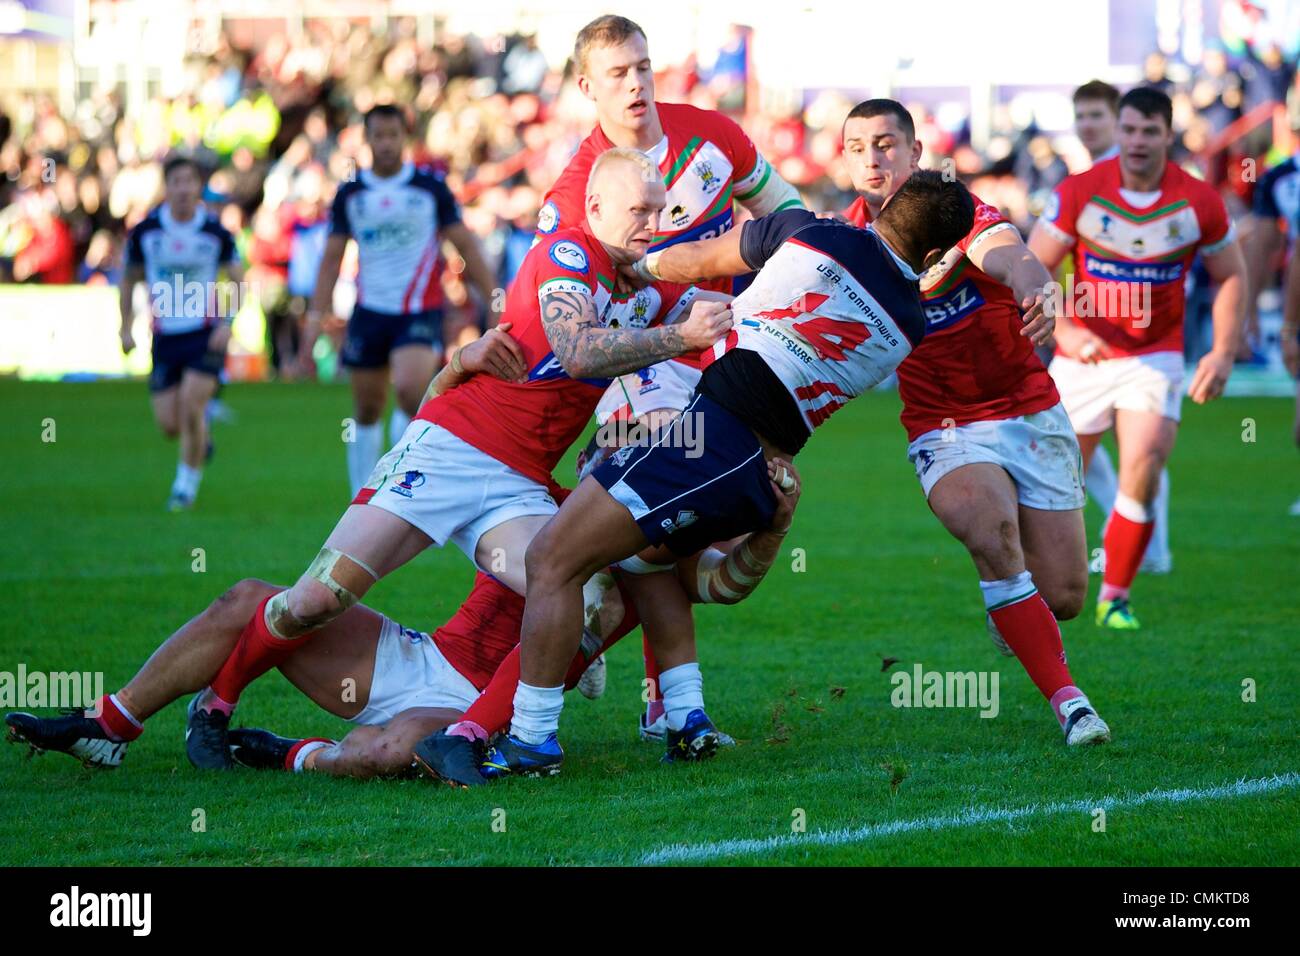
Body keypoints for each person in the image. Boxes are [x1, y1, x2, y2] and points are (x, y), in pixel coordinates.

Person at [176, 148, 731, 769]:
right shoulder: (569, 253)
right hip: (455, 450)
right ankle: (215, 706)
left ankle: (510, 736)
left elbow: (722, 322)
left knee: (572, 585)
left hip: (519, 481)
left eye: (659, 211)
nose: (652, 223)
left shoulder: (655, 286)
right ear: (596, 206)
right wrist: (681, 336)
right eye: (638, 210)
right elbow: (577, 350)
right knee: (316, 599)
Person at [460, 171, 974, 778]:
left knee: (552, 559)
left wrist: (640, 270)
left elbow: (700, 259)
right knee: (653, 572)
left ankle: (531, 741)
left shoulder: (810, 232)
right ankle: (681, 715)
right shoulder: (912, 323)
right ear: (936, 255)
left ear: (885, 204)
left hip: (705, 441)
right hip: (760, 473)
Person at [535, 14, 805, 738]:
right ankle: (640, 694)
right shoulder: (576, 190)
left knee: (679, 537)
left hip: (727, 362)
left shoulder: (713, 135)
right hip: (646, 365)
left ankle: (612, 648)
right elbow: (582, 310)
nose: (637, 84)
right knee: (667, 522)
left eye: (645, 67)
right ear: (587, 86)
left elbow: (788, 215)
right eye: (619, 73)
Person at [839, 100, 1109, 745]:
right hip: (944, 426)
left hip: (1028, 410)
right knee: (992, 536)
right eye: (856, 148)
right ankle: (1072, 706)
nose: (872, 159)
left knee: (1066, 595)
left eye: (885, 144)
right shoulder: (847, 241)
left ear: (915, 153)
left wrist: (1034, 286)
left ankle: (1013, 604)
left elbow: (1009, 254)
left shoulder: (958, 209)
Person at [1028, 87, 1247, 629]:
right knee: (1054, 479)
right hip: (1083, 359)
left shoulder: (1199, 201)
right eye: (1128, 130)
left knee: (1144, 464)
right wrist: (1068, 330)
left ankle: (1116, 597)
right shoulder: (1080, 192)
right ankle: (1029, 596)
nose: (1137, 141)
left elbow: (1233, 275)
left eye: (1149, 131)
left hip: (1156, 355)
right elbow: (1033, 269)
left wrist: (1221, 352)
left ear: (1167, 135)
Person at [297, 104, 500, 497]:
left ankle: (396, 479)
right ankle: (363, 493)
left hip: (419, 312)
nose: (387, 143)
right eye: (379, 135)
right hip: (370, 312)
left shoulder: (429, 189)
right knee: (368, 407)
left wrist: (493, 296)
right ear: (367, 139)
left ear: (404, 138)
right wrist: (314, 319)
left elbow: (467, 246)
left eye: (393, 135)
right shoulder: (351, 194)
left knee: (410, 390)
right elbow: (330, 260)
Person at [1071, 80, 1173, 575]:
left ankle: (1147, 549)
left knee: (1141, 449)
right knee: (1089, 445)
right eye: (1081, 116)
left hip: (1136, 334)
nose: (1087, 125)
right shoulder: (1083, 178)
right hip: (1083, 329)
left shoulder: (1134, 178)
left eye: (1097, 116)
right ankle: (1140, 548)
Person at [119, 155, 243, 512]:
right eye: (177, 182)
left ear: (197, 187)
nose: (184, 189)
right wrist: (124, 327)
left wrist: (227, 323)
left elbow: (237, 280)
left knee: (191, 405)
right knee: (170, 425)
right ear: (167, 187)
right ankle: (201, 437)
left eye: (191, 181)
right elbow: (128, 280)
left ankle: (184, 489)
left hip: (204, 335)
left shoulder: (216, 232)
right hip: (165, 337)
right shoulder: (146, 232)